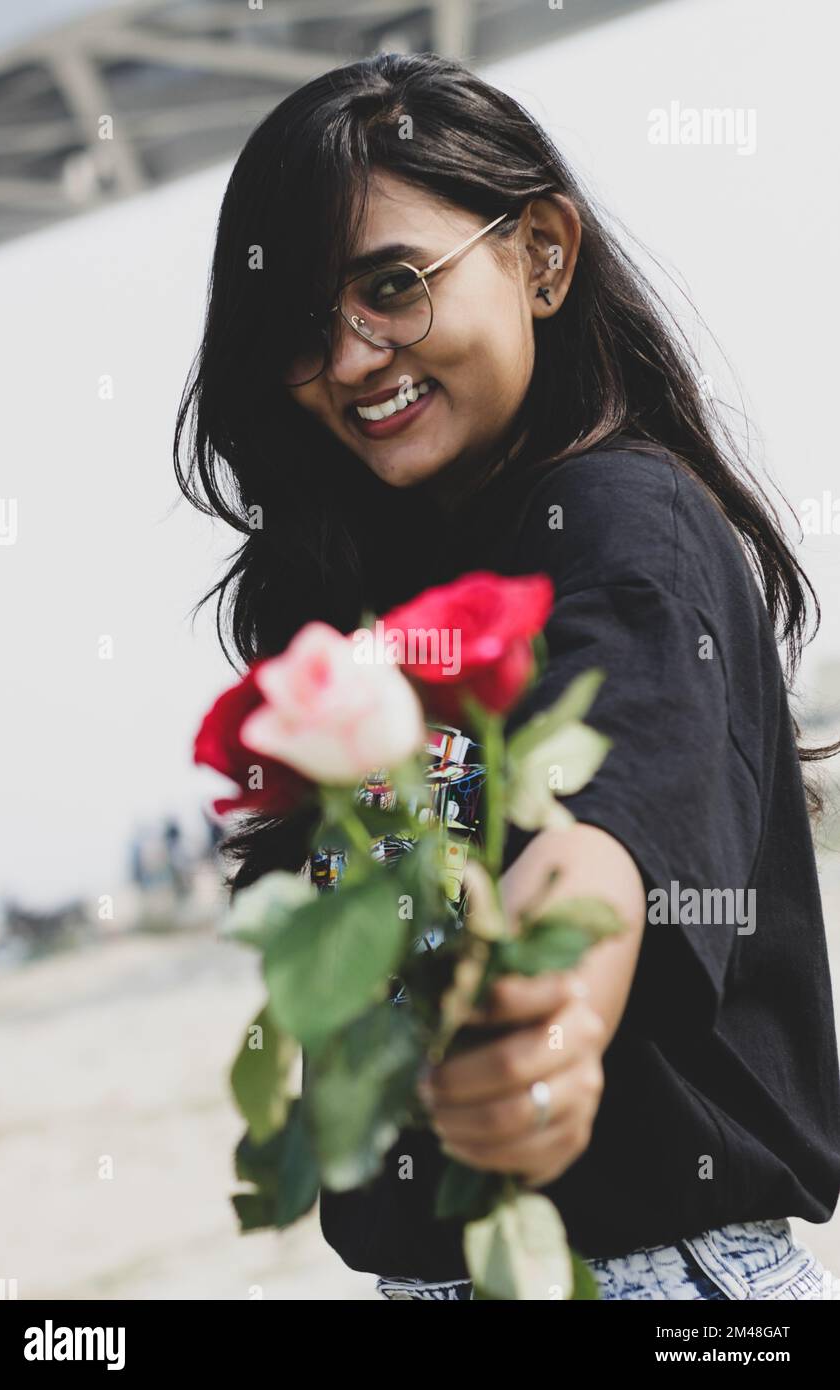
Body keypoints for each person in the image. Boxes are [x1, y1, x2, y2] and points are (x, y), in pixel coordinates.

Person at [175, 52, 840, 1300]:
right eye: (302, 326)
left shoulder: (626, 522)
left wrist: (553, 1015)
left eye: (391, 286)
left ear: (540, 253)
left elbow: (612, 811)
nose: (352, 357)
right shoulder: (387, 597)